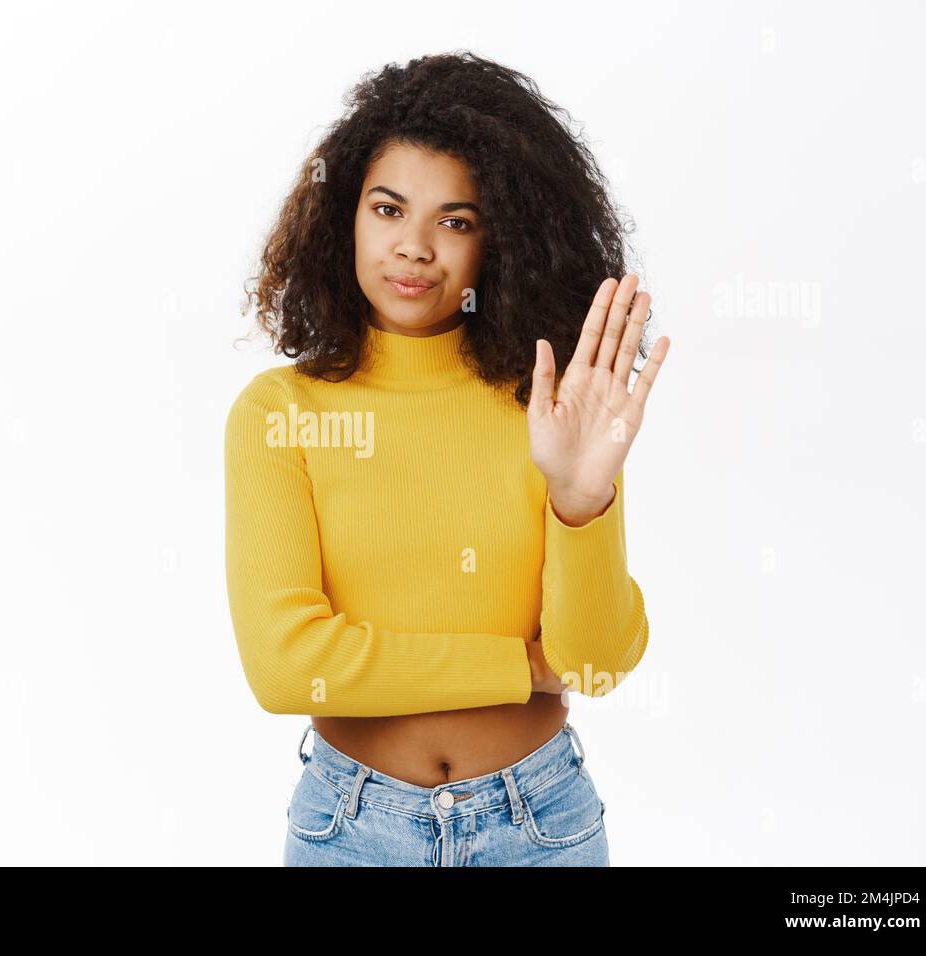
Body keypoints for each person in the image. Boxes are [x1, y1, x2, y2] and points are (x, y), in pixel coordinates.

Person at [224, 51, 670, 866]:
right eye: (389, 209)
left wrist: (581, 499)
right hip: (352, 830)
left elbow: (596, 667)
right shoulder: (282, 413)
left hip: (542, 827)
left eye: (456, 221)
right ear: (344, 219)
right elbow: (287, 667)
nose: (416, 248)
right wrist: (516, 665)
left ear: (498, 240)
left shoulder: (548, 406)